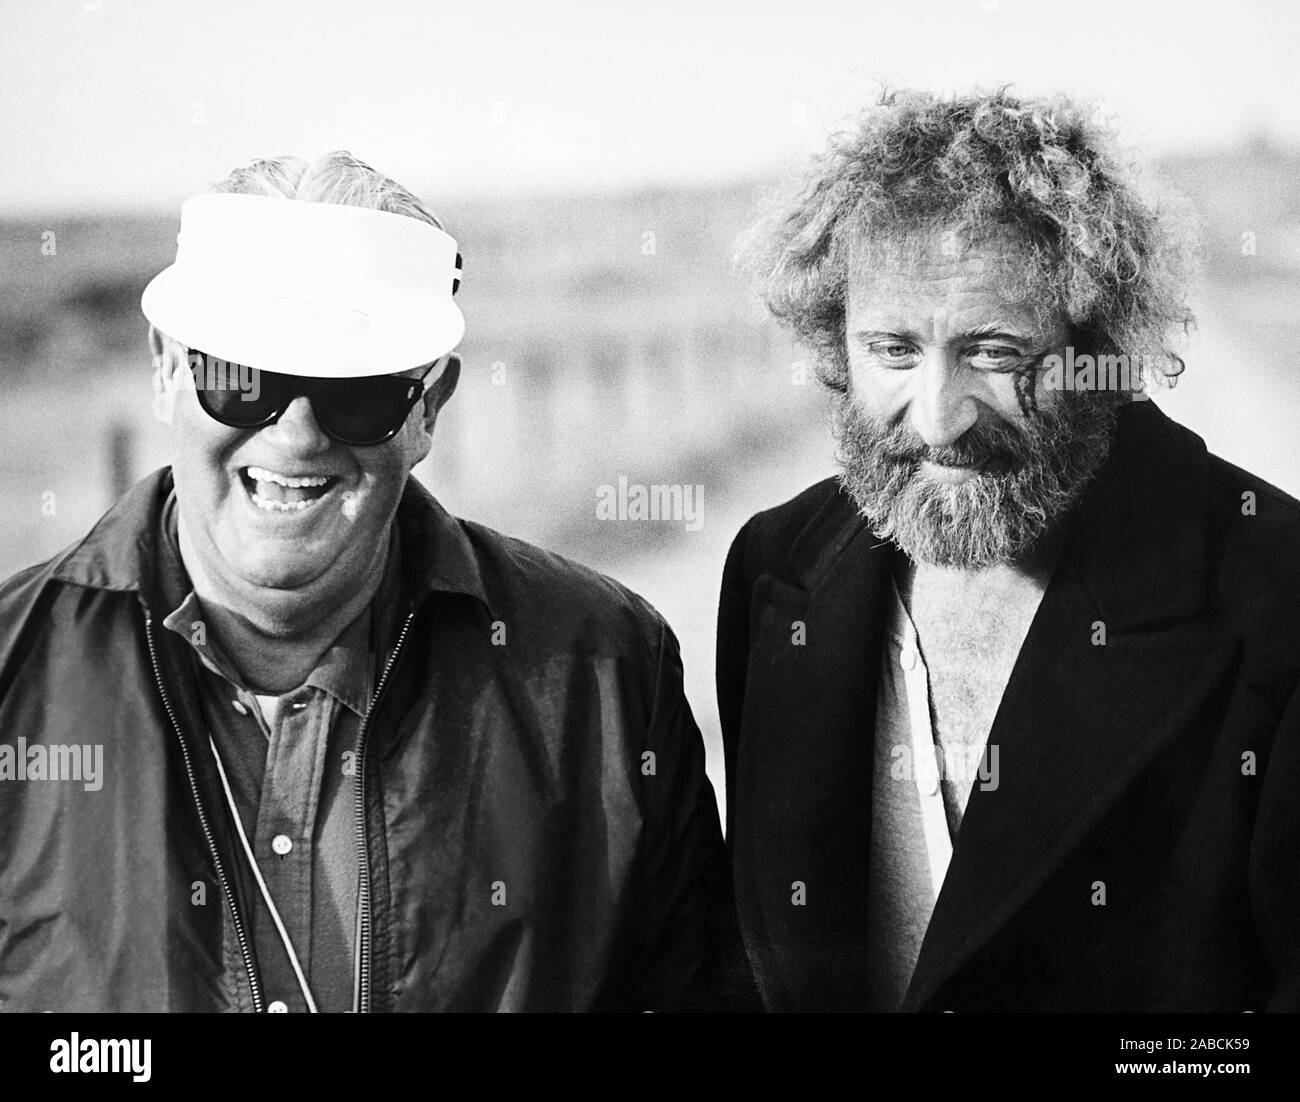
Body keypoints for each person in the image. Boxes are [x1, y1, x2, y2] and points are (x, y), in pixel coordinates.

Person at [0, 151, 738, 1012]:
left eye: (354, 389)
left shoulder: (606, 672)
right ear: (169, 367)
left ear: (427, 408)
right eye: (242, 377)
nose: (296, 435)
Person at [718, 89, 1300, 1011]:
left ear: (1100, 353)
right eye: (894, 350)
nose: (940, 420)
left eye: (995, 352)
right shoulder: (777, 567)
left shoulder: (1275, 591)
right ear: (836, 348)